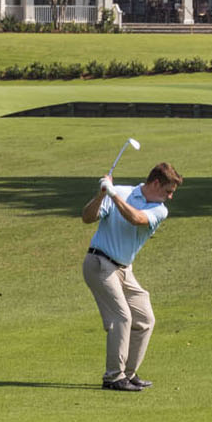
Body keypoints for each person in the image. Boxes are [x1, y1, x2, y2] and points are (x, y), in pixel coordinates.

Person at [81, 161, 182, 391]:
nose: (170, 197)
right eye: (168, 191)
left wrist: (114, 195)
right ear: (156, 183)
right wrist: (101, 195)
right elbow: (87, 218)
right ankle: (113, 378)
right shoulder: (124, 191)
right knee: (122, 317)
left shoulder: (159, 210)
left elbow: (136, 218)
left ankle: (128, 373)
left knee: (144, 318)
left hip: (124, 270)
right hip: (99, 263)